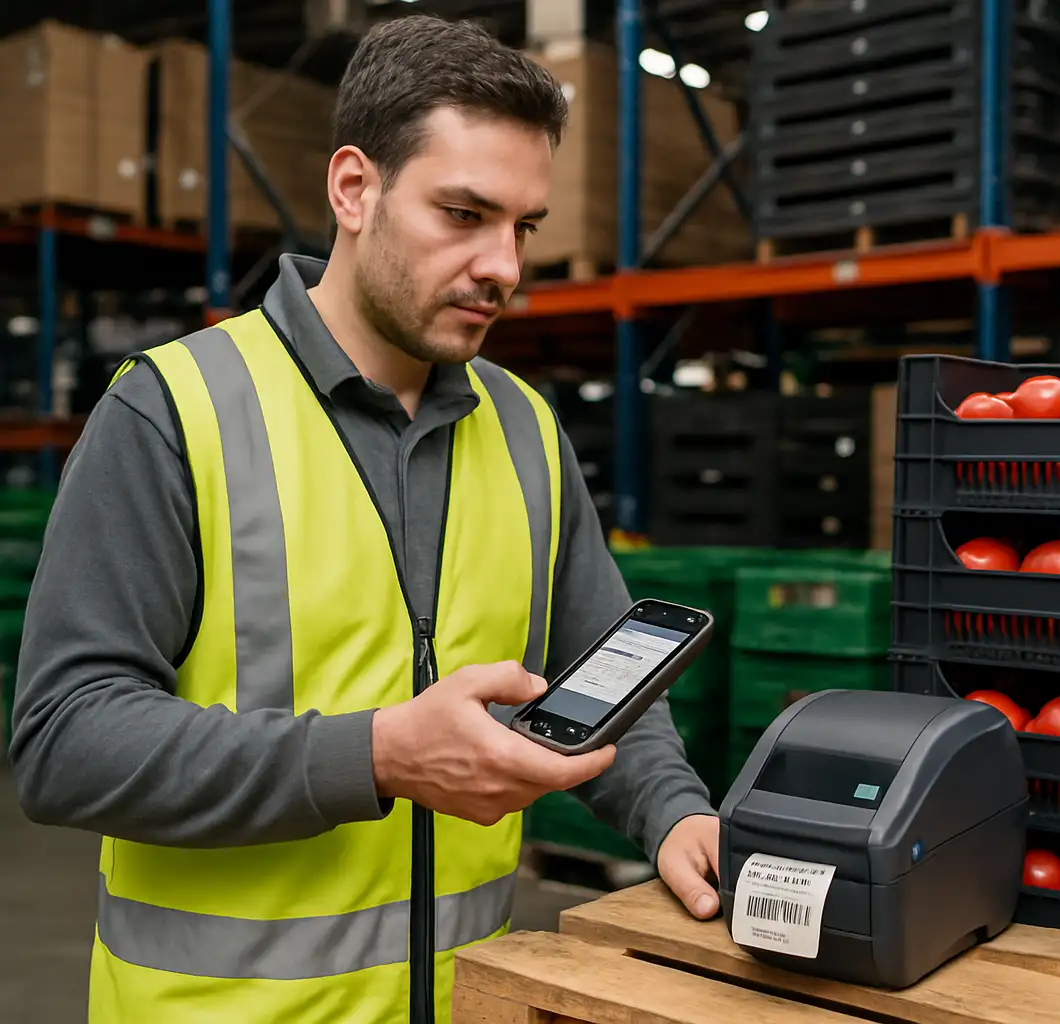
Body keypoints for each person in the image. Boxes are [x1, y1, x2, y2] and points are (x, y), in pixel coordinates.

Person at [7, 15, 720, 1024]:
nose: (504, 266)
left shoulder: (526, 430)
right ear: (354, 189)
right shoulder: (175, 411)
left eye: (523, 227)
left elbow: (606, 679)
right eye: (463, 214)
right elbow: (64, 739)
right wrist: (378, 754)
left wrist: (674, 813)